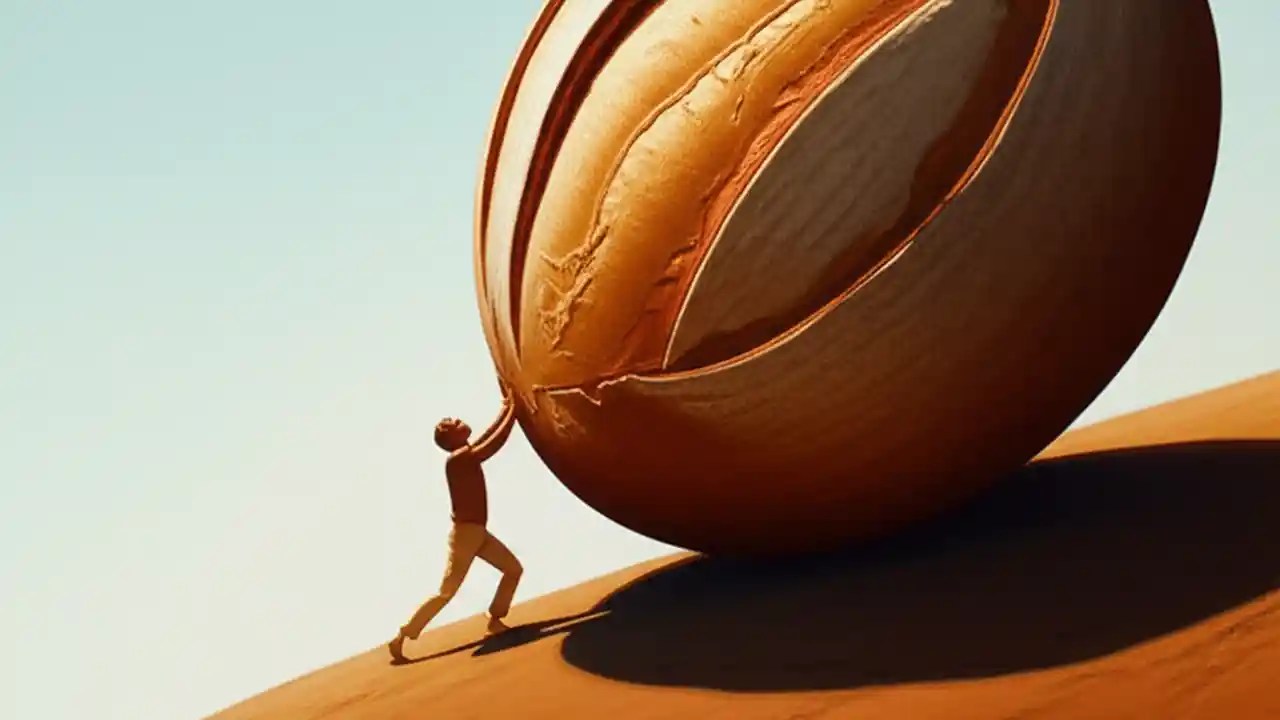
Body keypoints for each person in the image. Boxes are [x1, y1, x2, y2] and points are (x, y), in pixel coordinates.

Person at [388, 384, 523, 663]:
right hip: (465, 535)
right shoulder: (459, 459)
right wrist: (513, 412)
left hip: (477, 532)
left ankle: (494, 620)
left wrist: (507, 408)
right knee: (446, 591)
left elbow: (487, 437)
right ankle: (402, 636)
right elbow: (493, 444)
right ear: (451, 438)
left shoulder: (464, 453)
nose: (462, 422)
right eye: (456, 423)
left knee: (513, 569)